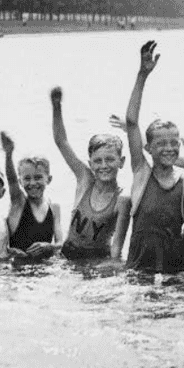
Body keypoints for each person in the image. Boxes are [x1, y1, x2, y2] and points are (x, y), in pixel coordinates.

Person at [121, 41, 184, 274]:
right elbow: (131, 122)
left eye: (174, 143)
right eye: (161, 144)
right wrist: (142, 75)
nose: (169, 148)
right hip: (138, 268)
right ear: (148, 148)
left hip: (173, 268)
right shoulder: (141, 173)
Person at [48, 86, 130, 262]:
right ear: (90, 163)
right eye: (98, 161)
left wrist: (111, 267)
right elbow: (61, 141)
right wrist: (56, 107)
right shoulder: (85, 179)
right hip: (67, 255)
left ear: (121, 162)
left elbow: (117, 247)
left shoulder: (122, 199)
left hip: (96, 260)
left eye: (110, 159)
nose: (104, 166)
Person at [0, 131, 60, 263]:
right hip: (18, 270)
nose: (32, 183)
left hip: (45, 270)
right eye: (27, 178)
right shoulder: (18, 203)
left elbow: (60, 244)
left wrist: (48, 246)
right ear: (21, 182)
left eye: (38, 177)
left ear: (48, 179)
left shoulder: (54, 208)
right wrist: (8, 154)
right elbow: (11, 181)